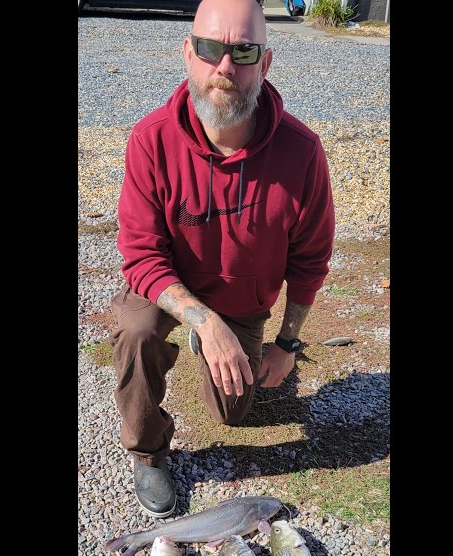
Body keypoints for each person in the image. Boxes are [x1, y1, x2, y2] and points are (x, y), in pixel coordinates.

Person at [109, 0, 335, 517]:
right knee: (137, 333)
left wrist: (287, 343)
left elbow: (311, 259)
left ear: (266, 63)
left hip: (241, 301)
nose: (225, 66)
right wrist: (206, 323)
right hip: (169, 286)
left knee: (233, 412)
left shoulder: (302, 152)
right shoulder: (150, 140)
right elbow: (141, 254)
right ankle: (147, 451)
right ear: (188, 53)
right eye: (211, 49)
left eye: (244, 51)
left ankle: (214, 342)